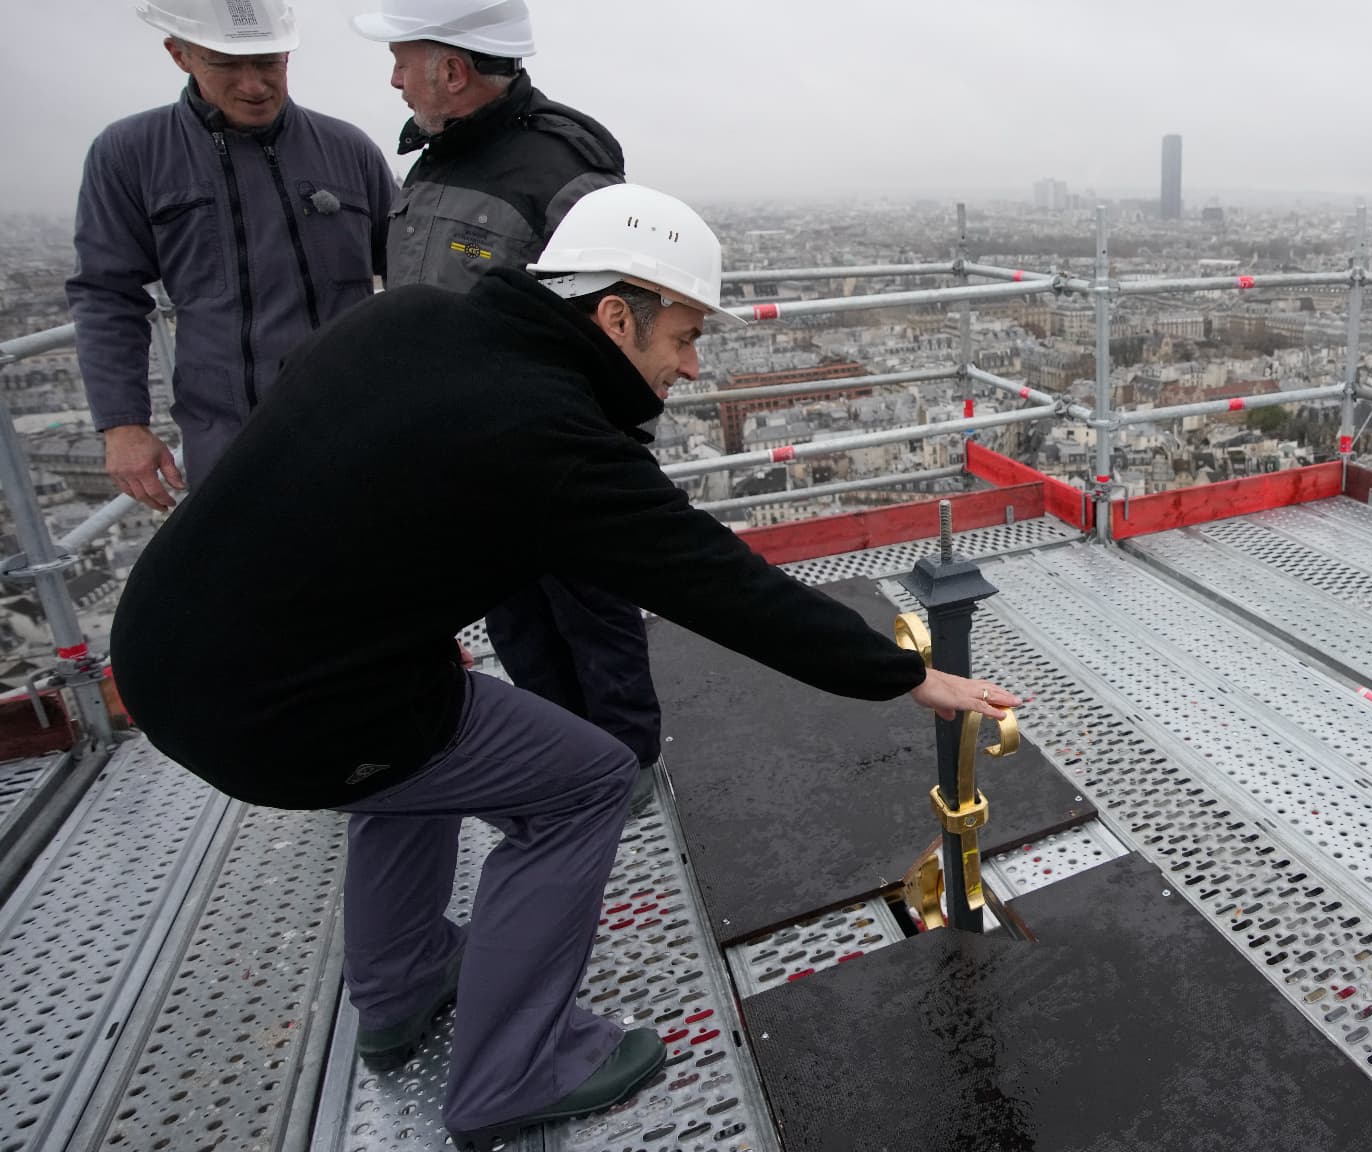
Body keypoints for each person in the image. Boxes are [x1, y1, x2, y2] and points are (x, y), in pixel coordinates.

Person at [109, 184, 1022, 1148]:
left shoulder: (409, 316)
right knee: (582, 781)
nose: (691, 365)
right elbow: (716, 582)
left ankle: (401, 987)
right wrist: (902, 673)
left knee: (414, 750)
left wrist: (391, 609)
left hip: (174, 643)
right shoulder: (551, 434)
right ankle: (512, 1072)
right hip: (288, 711)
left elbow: (325, 457)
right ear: (614, 315)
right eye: (680, 337)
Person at [351, 0, 666, 805]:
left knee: (591, 615)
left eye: (403, 58)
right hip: (465, 456)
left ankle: (624, 771)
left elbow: (618, 320)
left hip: (551, 451)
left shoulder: (558, 169)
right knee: (519, 620)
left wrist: (607, 450)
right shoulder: (440, 159)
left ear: (452, 70)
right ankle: (562, 759)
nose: (392, 76)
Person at [68, 0, 396, 507]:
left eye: (268, 62)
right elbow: (107, 294)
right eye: (226, 64)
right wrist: (122, 424)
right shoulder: (130, 153)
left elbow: (408, 271)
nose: (254, 85)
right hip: (228, 441)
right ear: (179, 55)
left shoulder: (349, 148)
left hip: (362, 424)